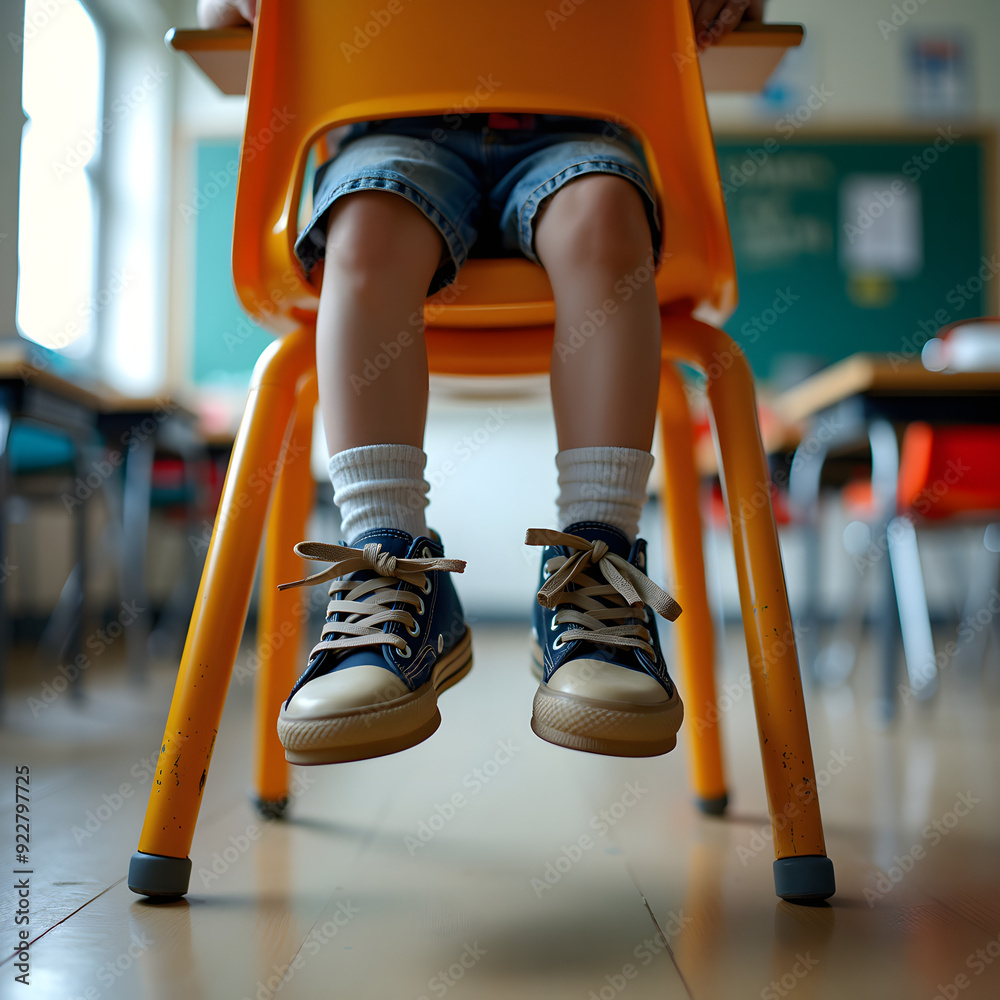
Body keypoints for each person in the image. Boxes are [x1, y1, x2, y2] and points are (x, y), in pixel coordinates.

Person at [196, 0, 764, 764]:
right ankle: (385, 557)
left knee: (602, 215)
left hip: (579, 129)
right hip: (392, 129)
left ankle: (596, 562)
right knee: (362, 227)